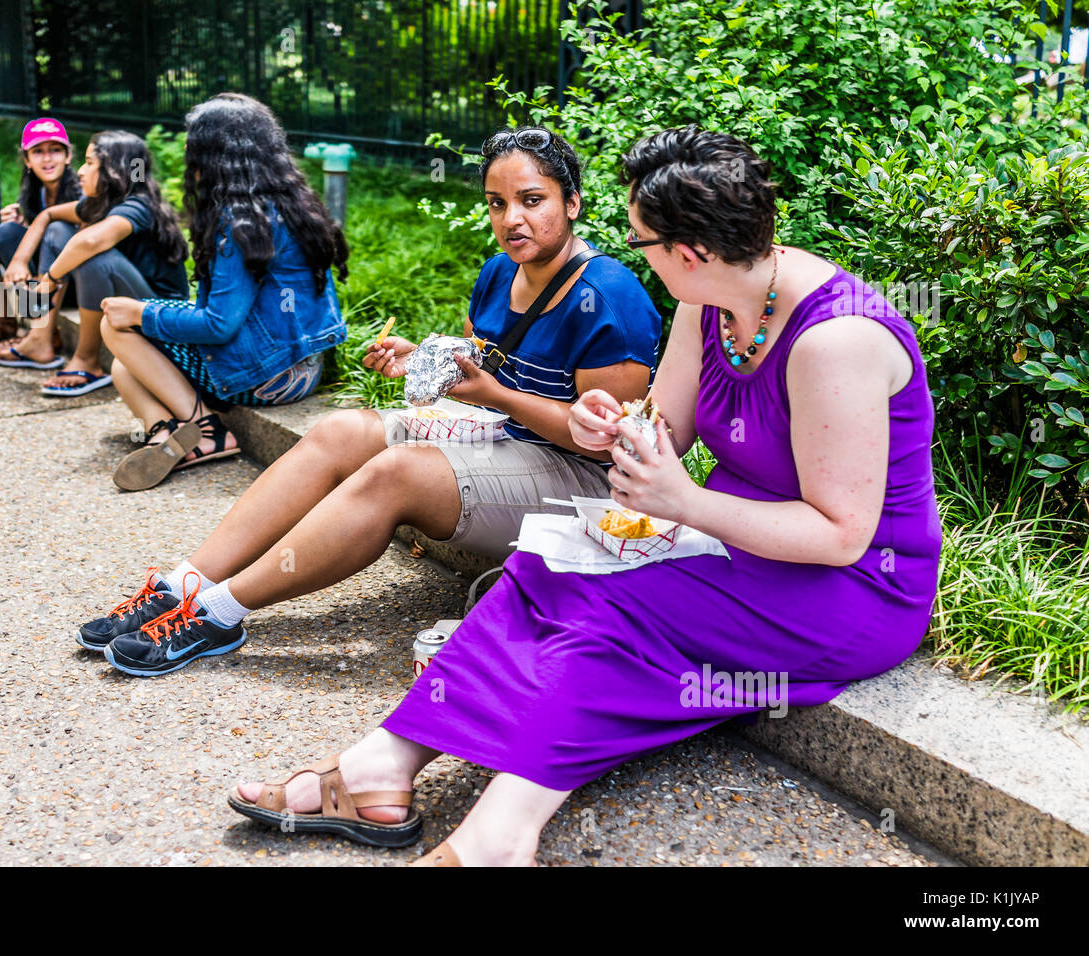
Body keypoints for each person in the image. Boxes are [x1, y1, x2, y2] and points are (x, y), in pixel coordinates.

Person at [221, 126, 944, 866]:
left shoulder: (835, 341)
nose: (636, 254)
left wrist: (685, 504)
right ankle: (388, 762)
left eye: (642, 243)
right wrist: (613, 427)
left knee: (610, 609)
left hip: (850, 589)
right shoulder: (712, 300)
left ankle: (497, 834)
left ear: (687, 251)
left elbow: (841, 535)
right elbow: (667, 427)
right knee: (541, 566)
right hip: (738, 541)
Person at [76, 125, 662, 676]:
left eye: (532, 200)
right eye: (496, 202)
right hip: (509, 438)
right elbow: (484, 367)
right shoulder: (496, 273)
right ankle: (183, 584)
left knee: (396, 473)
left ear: (574, 202)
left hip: (584, 486)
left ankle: (218, 614)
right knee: (339, 431)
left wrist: (494, 396)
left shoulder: (608, 297)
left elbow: (605, 442)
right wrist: (423, 361)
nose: (512, 219)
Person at [100, 93, 348, 491]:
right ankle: (166, 434)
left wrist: (140, 313)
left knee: (116, 330)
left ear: (216, 154)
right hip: (305, 368)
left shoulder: (241, 221)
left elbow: (218, 325)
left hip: (265, 378)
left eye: (193, 142)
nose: (185, 149)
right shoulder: (291, 202)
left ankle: (205, 431)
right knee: (123, 367)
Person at [0, 130, 189, 397]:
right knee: (59, 229)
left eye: (90, 162)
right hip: (128, 301)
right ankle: (40, 338)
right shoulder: (102, 201)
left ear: (113, 169)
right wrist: (20, 260)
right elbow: (49, 215)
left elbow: (90, 242)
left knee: (95, 256)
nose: (80, 170)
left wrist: (49, 280)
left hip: (161, 312)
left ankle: (88, 361)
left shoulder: (138, 204)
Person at [0, 117, 82, 351]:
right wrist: (23, 223)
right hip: (41, 281)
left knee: (7, 234)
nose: (47, 158)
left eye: (55, 150)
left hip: (71, 285)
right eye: (38, 152)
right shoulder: (34, 191)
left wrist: (18, 233)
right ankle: (5, 319)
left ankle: (45, 331)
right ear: (27, 160)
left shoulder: (81, 189)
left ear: (68, 156)